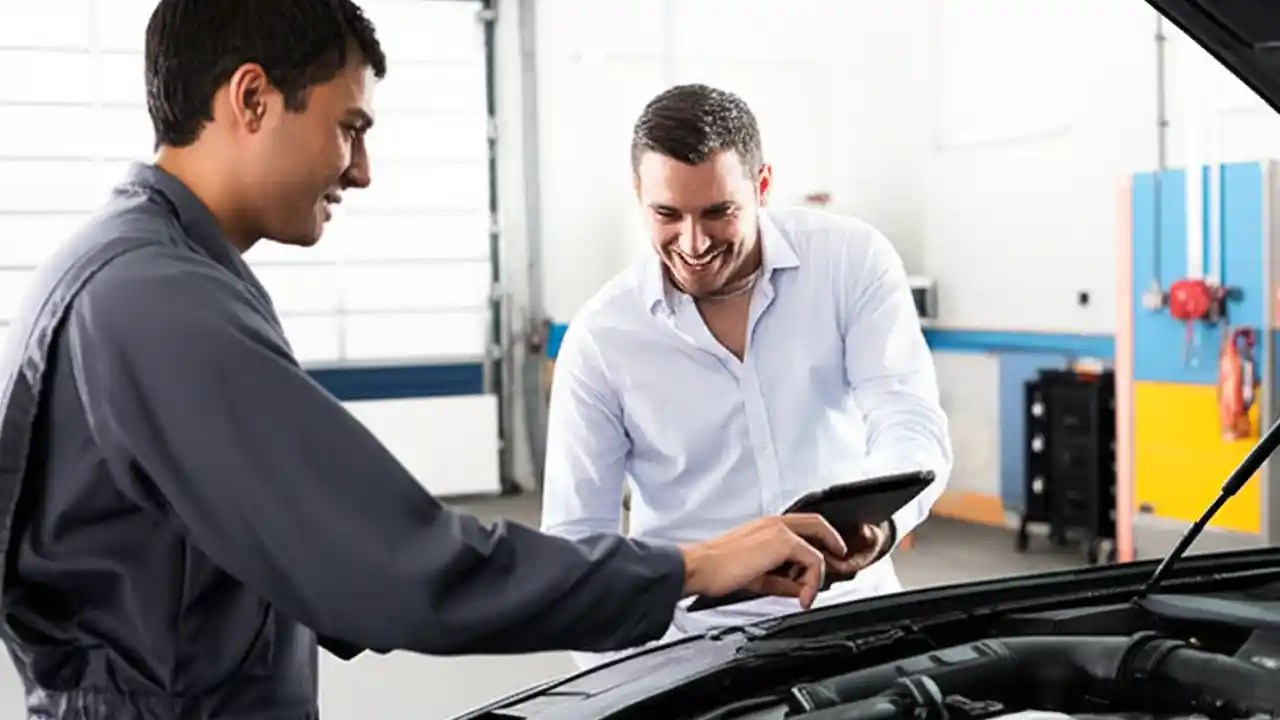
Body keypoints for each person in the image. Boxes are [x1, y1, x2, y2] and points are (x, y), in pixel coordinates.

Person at [0, 4, 859, 718]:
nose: (362, 171)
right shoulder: (155, 301)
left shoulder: (136, 270)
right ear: (253, 98)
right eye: (350, 128)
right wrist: (689, 565)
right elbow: (387, 562)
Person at [540, 83, 954, 668]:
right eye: (666, 214)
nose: (693, 242)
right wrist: (629, 686)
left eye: (718, 212)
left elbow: (909, 420)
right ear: (638, 194)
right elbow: (578, 545)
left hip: (859, 623)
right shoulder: (603, 339)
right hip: (689, 651)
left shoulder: (850, 262)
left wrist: (879, 526)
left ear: (762, 185)